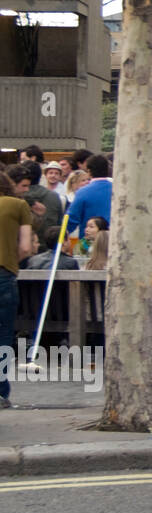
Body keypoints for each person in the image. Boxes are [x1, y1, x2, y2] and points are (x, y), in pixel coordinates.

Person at [0, 172, 35, 406]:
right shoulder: (18, 205)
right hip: (4, 274)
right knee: (3, 336)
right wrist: (12, 262)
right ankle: (1, 392)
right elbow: (25, 247)